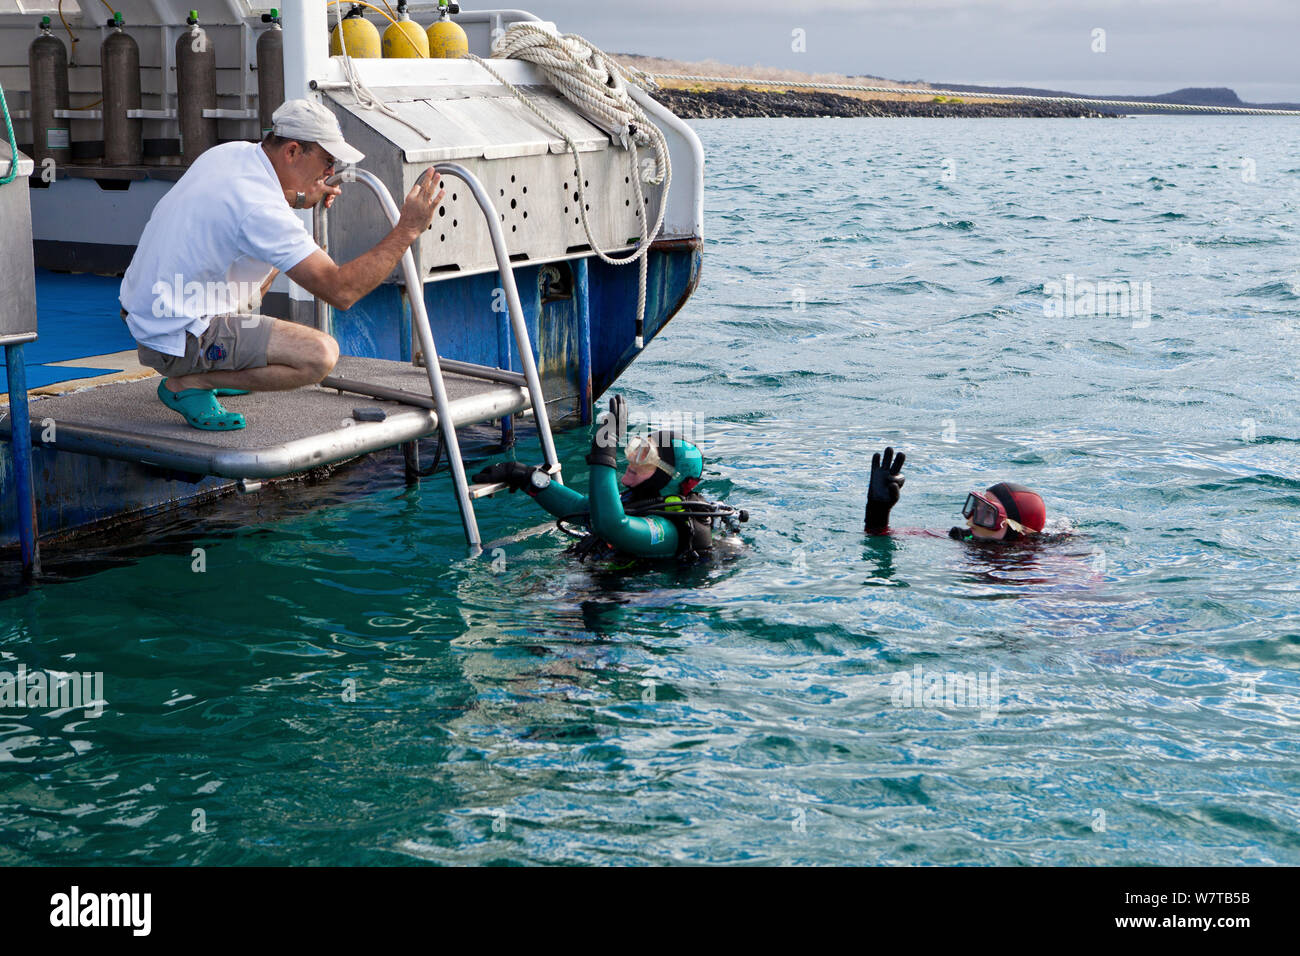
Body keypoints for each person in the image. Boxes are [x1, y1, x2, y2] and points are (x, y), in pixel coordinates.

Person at [118, 98, 445, 431]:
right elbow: (341, 290)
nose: (330, 173)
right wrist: (408, 229)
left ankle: (218, 368)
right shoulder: (260, 209)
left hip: (147, 315)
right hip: (175, 338)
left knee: (274, 260)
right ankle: (189, 383)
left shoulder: (230, 154)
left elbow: (247, 209)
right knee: (319, 354)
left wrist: (300, 197)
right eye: (327, 161)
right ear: (291, 152)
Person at [472, 396, 746, 563]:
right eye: (636, 449)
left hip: (615, 616)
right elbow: (579, 508)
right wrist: (524, 476)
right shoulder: (638, 500)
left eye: (646, 457)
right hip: (589, 586)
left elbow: (613, 526)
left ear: (672, 479)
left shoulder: (669, 528)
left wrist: (604, 454)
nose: (633, 460)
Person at [863, 446, 1048, 542]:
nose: (971, 520)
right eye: (975, 507)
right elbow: (883, 535)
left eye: (987, 513)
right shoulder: (964, 537)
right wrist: (877, 512)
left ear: (1018, 530)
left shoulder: (1033, 564)